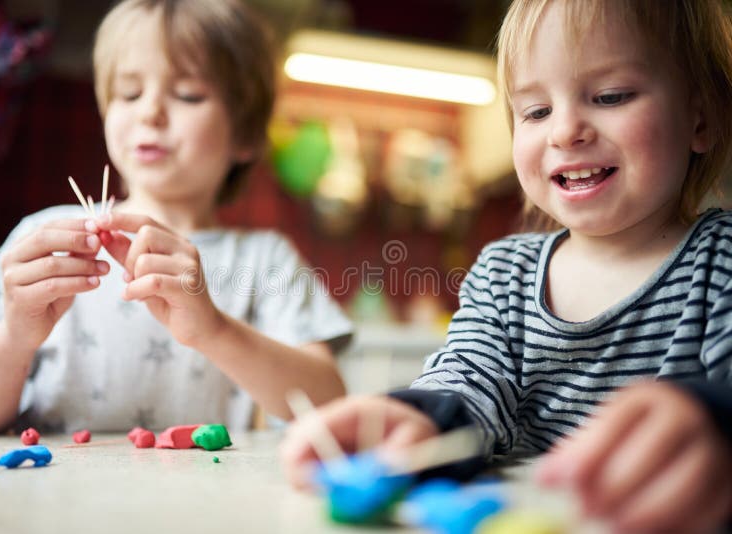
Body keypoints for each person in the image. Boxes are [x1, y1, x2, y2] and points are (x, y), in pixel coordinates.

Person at [280, 1, 732, 532]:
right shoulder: (503, 273)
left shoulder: (720, 260)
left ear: (700, 117)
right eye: (535, 112)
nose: (564, 131)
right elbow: (470, 384)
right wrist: (418, 418)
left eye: (611, 96)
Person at [0, 0, 351, 435]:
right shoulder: (42, 240)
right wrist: (15, 338)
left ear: (246, 134)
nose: (149, 112)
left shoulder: (265, 259)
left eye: (188, 94)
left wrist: (213, 328)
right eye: (129, 93)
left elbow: (326, 406)